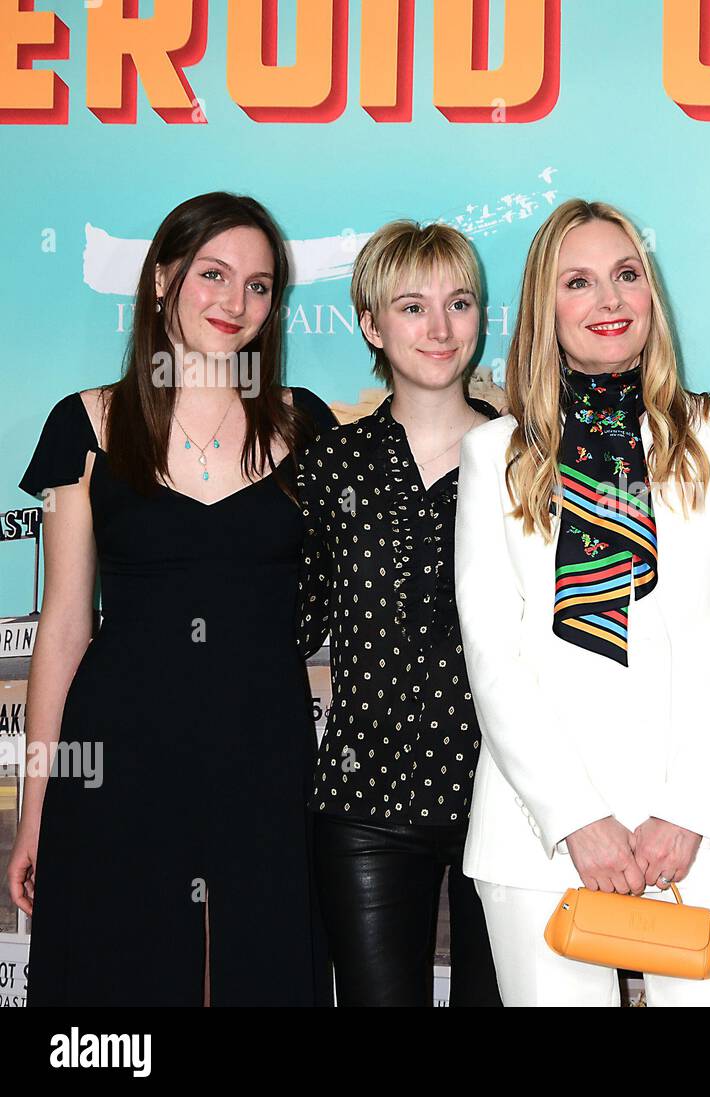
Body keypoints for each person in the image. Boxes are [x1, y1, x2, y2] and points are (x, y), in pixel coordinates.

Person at [6, 192, 335, 1005]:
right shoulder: (85, 424)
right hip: (119, 756)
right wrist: (36, 807)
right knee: (121, 982)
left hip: (266, 755)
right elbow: (64, 629)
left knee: (260, 967)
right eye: (213, 274)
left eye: (260, 285)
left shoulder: (310, 426)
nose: (236, 302)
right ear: (162, 279)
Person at [454, 199, 710, 1006]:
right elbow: (492, 656)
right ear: (545, 308)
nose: (609, 301)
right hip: (540, 839)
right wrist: (576, 817)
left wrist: (688, 812)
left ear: (651, 295)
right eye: (579, 282)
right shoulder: (493, 455)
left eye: (626, 276)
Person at [297, 221, 501, 1006]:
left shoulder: (525, 459)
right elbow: (294, 623)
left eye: (459, 302)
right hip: (364, 806)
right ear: (373, 325)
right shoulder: (328, 464)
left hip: (507, 800)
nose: (441, 328)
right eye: (412, 307)